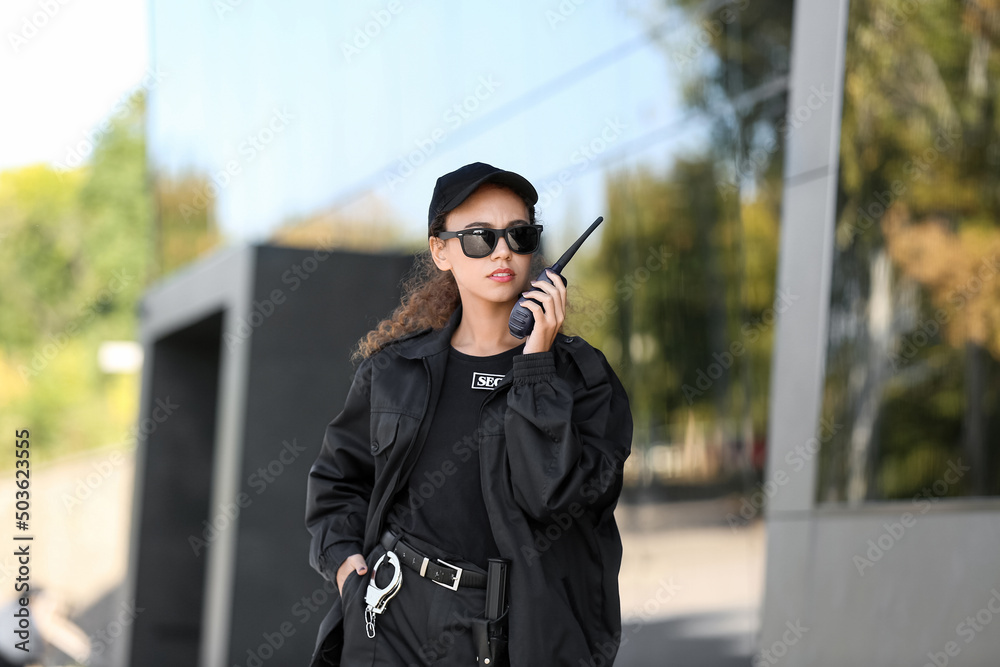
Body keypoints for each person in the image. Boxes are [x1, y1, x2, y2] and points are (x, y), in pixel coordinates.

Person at [305, 162, 633, 666]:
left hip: (517, 630)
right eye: (480, 237)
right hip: (394, 617)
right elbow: (338, 480)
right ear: (441, 251)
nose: (502, 250)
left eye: (519, 235)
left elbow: (555, 499)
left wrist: (536, 367)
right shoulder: (395, 369)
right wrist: (348, 567)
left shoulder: (582, 379)